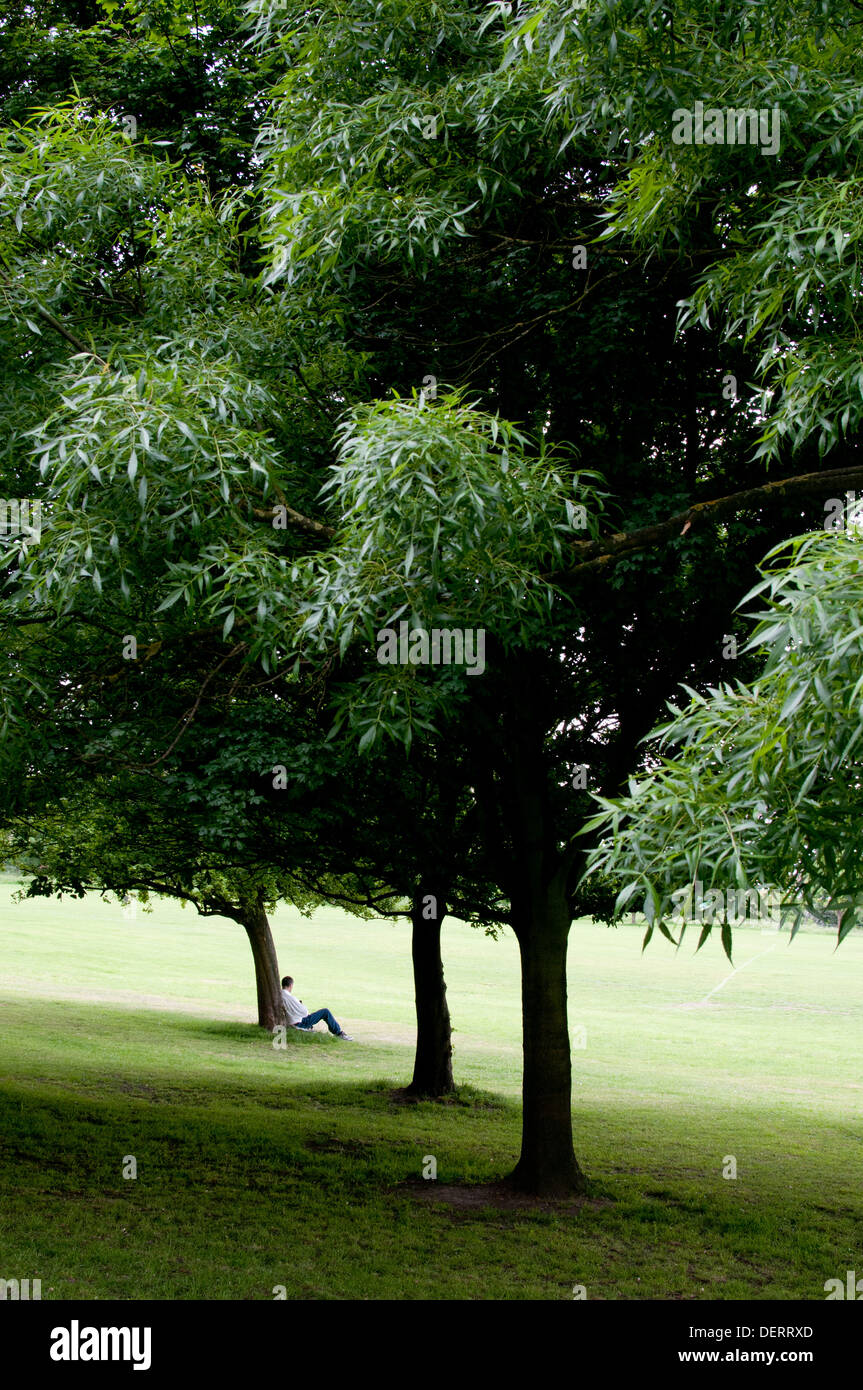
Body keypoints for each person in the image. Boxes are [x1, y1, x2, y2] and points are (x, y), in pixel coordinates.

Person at [281, 976, 354, 1040]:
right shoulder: (290, 998)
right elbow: (305, 1012)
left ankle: (338, 1032)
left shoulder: (280, 995)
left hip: (292, 1021)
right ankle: (339, 1033)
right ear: (291, 985)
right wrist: (300, 1004)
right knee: (325, 1012)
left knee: (317, 1014)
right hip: (299, 1023)